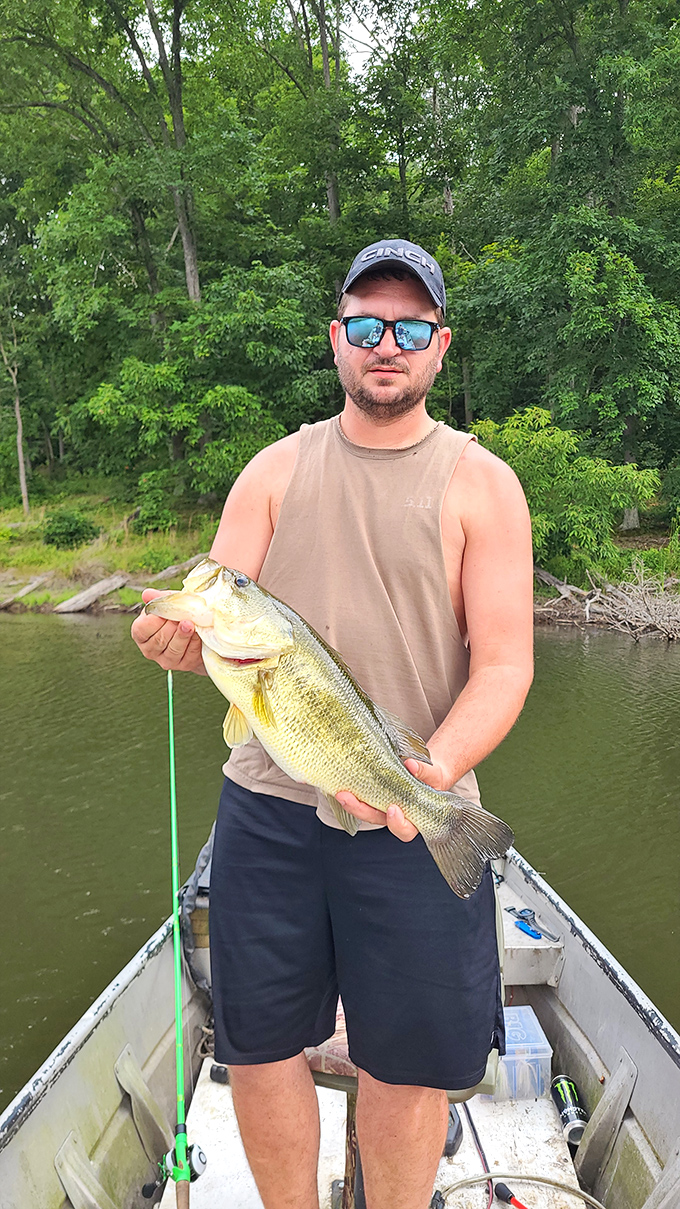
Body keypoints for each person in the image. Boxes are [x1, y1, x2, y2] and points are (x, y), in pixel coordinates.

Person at [132, 238, 534, 1209]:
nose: (385, 343)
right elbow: (217, 606)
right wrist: (176, 637)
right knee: (259, 1044)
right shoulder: (273, 471)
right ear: (336, 338)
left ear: (440, 345)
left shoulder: (484, 484)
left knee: (410, 1060)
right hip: (269, 810)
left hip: (415, 801)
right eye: (364, 324)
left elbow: (505, 665)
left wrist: (433, 773)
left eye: (408, 328)